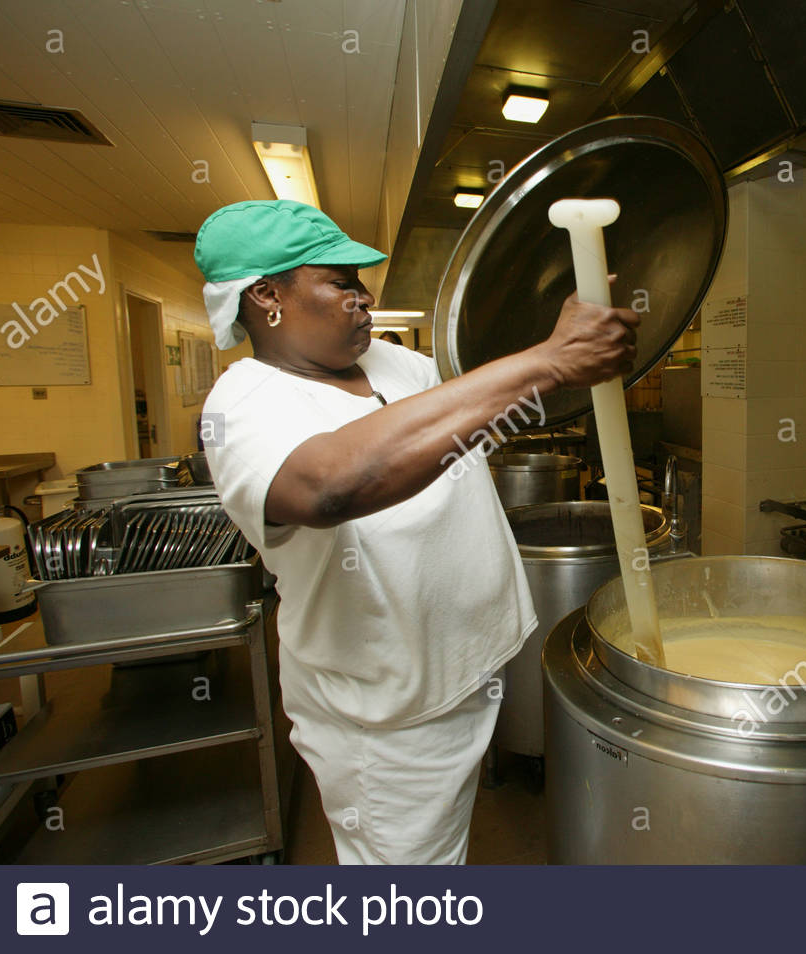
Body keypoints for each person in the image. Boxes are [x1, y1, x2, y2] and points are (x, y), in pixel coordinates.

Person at [194, 199, 640, 864]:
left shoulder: (398, 365)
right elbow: (330, 485)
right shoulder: (242, 405)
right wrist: (549, 360)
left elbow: (469, 419)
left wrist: (566, 357)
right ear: (266, 296)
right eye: (341, 282)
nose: (364, 297)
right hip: (384, 718)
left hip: (466, 668)